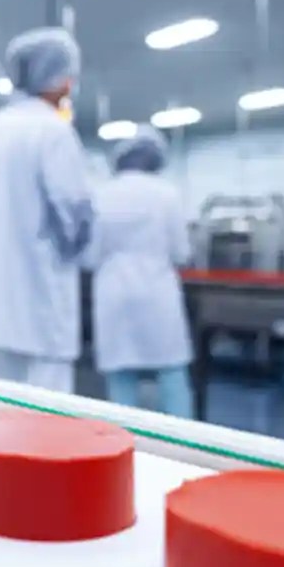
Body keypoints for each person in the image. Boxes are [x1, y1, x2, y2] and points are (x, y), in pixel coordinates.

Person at [0, 27, 94, 393]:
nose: (71, 84)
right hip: (40, 300)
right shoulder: (52, 130)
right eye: (68, 75)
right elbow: (76, 213)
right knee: (47, 421)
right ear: (57, 77)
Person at [83, 126, 194, 418]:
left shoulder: (102, 195)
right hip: (158, 293)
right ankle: (184, 443)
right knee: (171, 374)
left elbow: (91, 254)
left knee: (121, 381)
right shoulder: (168, 194)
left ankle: (127, 445)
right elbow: (181, 251)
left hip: (114, 293)